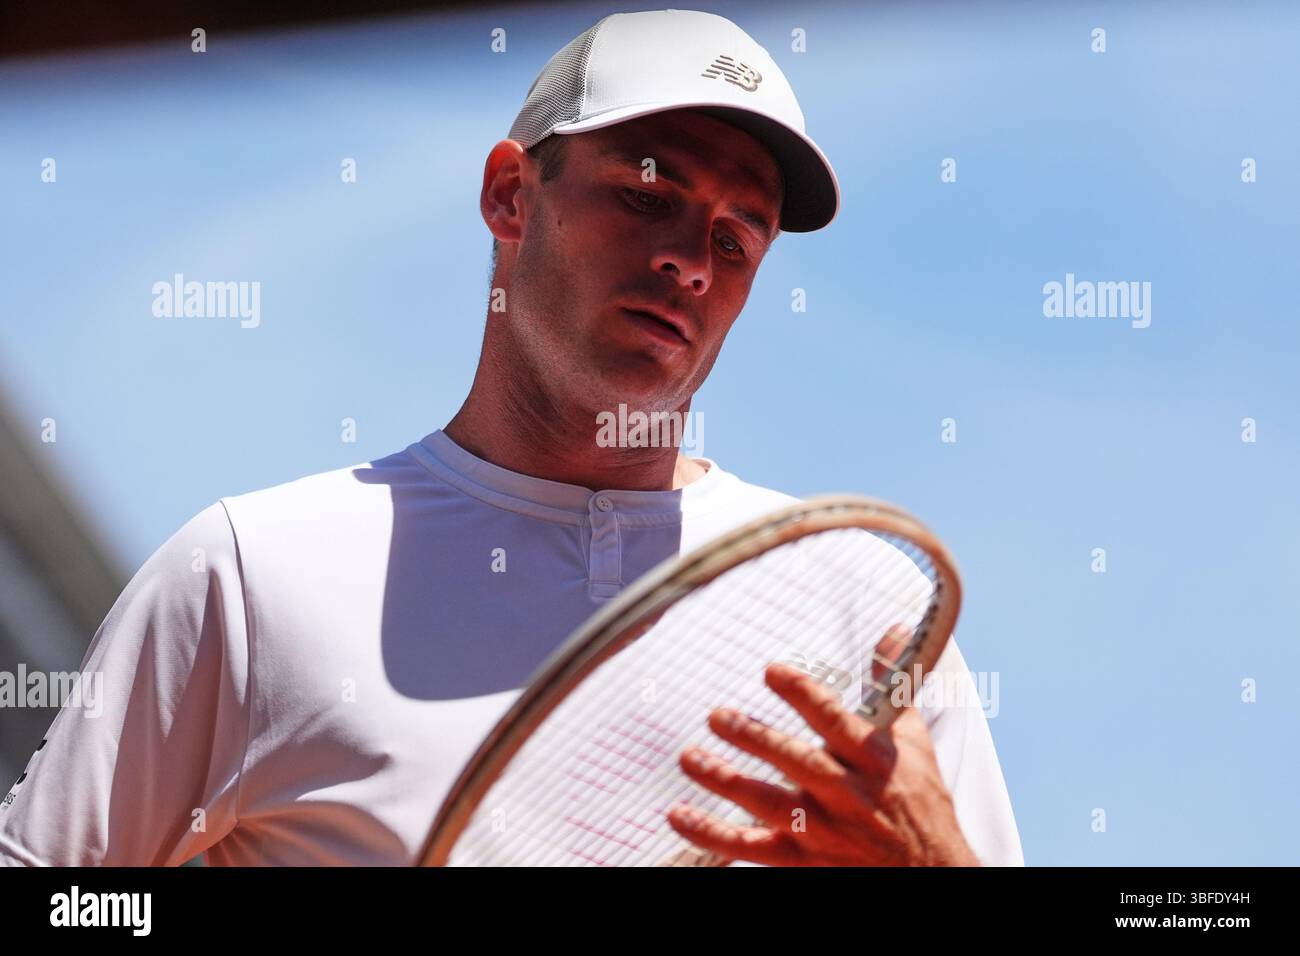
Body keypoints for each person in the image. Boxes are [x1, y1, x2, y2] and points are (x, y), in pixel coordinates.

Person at [0, 9, 1023, 867]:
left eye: (734, 236)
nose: (691, 263)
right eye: (648, 196)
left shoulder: (867, 612)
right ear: (508, 195)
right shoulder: (247, 575)